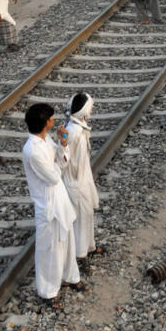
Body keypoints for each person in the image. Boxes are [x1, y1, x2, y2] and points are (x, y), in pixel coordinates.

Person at [21, 104, 86, 308]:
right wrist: (60, 159)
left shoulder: (45, 139)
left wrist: (62, 143)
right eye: (51, 118)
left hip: (59, 199)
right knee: (49, 248)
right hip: (48, 203)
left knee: (66, 242)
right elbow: (53, 176)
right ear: (44, 122)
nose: (53, 120)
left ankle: (69, 276)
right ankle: (48, 291)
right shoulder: (33, 151)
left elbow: (59, 162)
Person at [62, 93, 100, 262]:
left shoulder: (79, 127)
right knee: (81, 215)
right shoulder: (73, 132)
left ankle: (89, 246)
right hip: (75, 180)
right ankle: (79, 253)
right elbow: (64, 159)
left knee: (87, 213)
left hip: (83, 178)